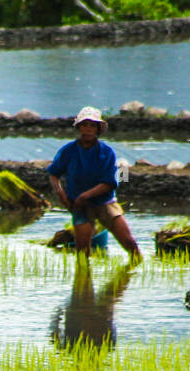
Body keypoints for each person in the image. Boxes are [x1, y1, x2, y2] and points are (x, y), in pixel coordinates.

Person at [47, 107, 141, 262]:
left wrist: (86, 195)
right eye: (84, 125)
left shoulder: (106, 152)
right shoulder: (68, 150)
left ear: (98, 129)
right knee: (83, 253)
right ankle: (84, 283)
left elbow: (109, 183)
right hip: (79, 206)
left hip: (105, 203)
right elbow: (54, 173)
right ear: (79, 127)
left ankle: (134, 271)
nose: (88, 129)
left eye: (92, 126)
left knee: (129, 243)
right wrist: (60, 193)